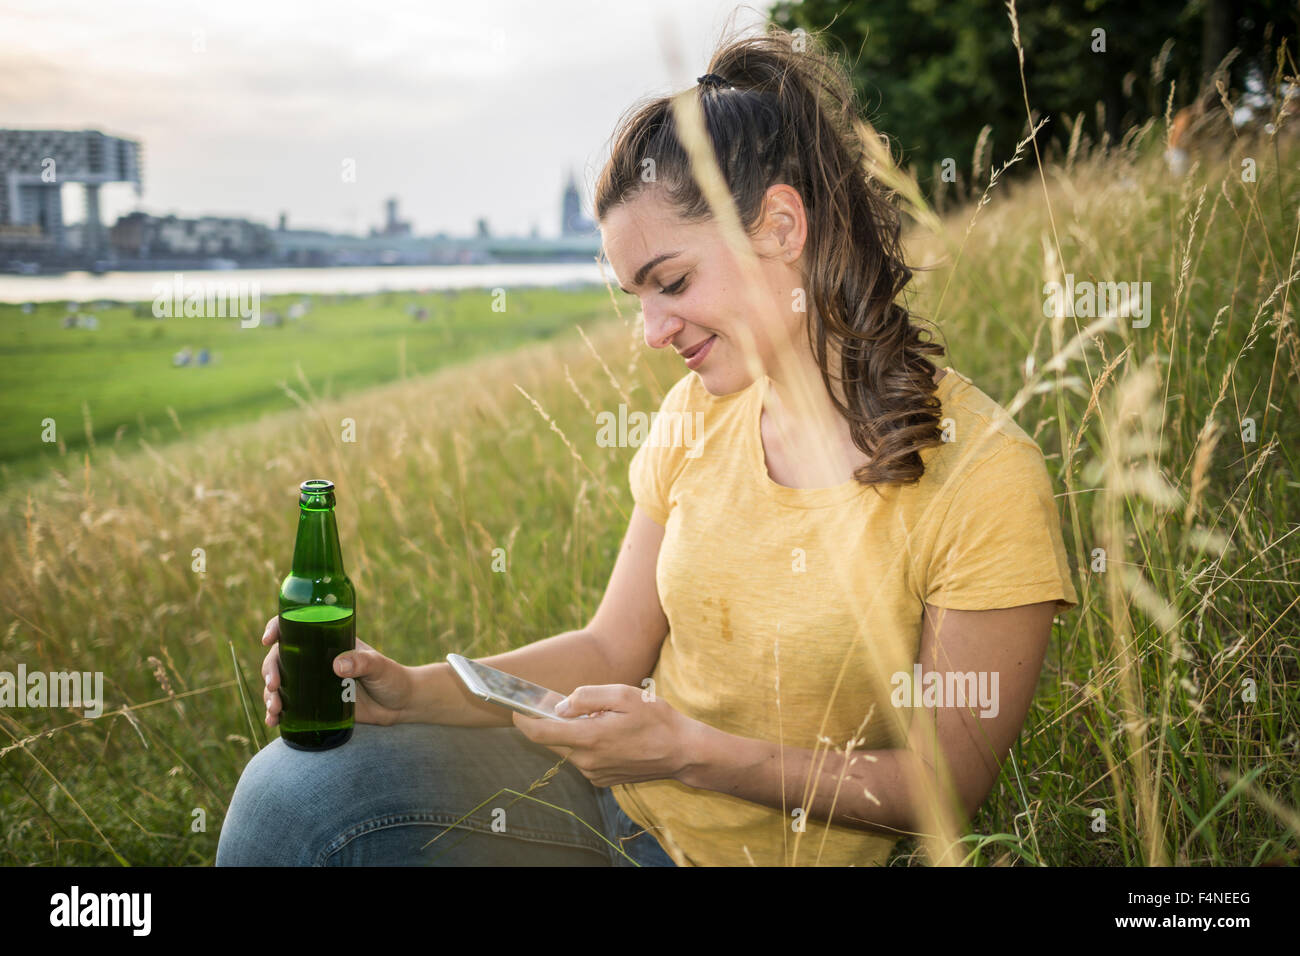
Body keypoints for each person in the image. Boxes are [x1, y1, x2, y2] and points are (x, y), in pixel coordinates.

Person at [216, 24, 1077, 868]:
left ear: (781, 226)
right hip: (607, 804)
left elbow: (942, 791)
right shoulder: (695, 417)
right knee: (290, 789)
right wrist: (414, 691)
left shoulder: (986, 477)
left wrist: (689, 752)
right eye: (636, 295)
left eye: (670, 283)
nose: (652, 331)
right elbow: (610, 650)